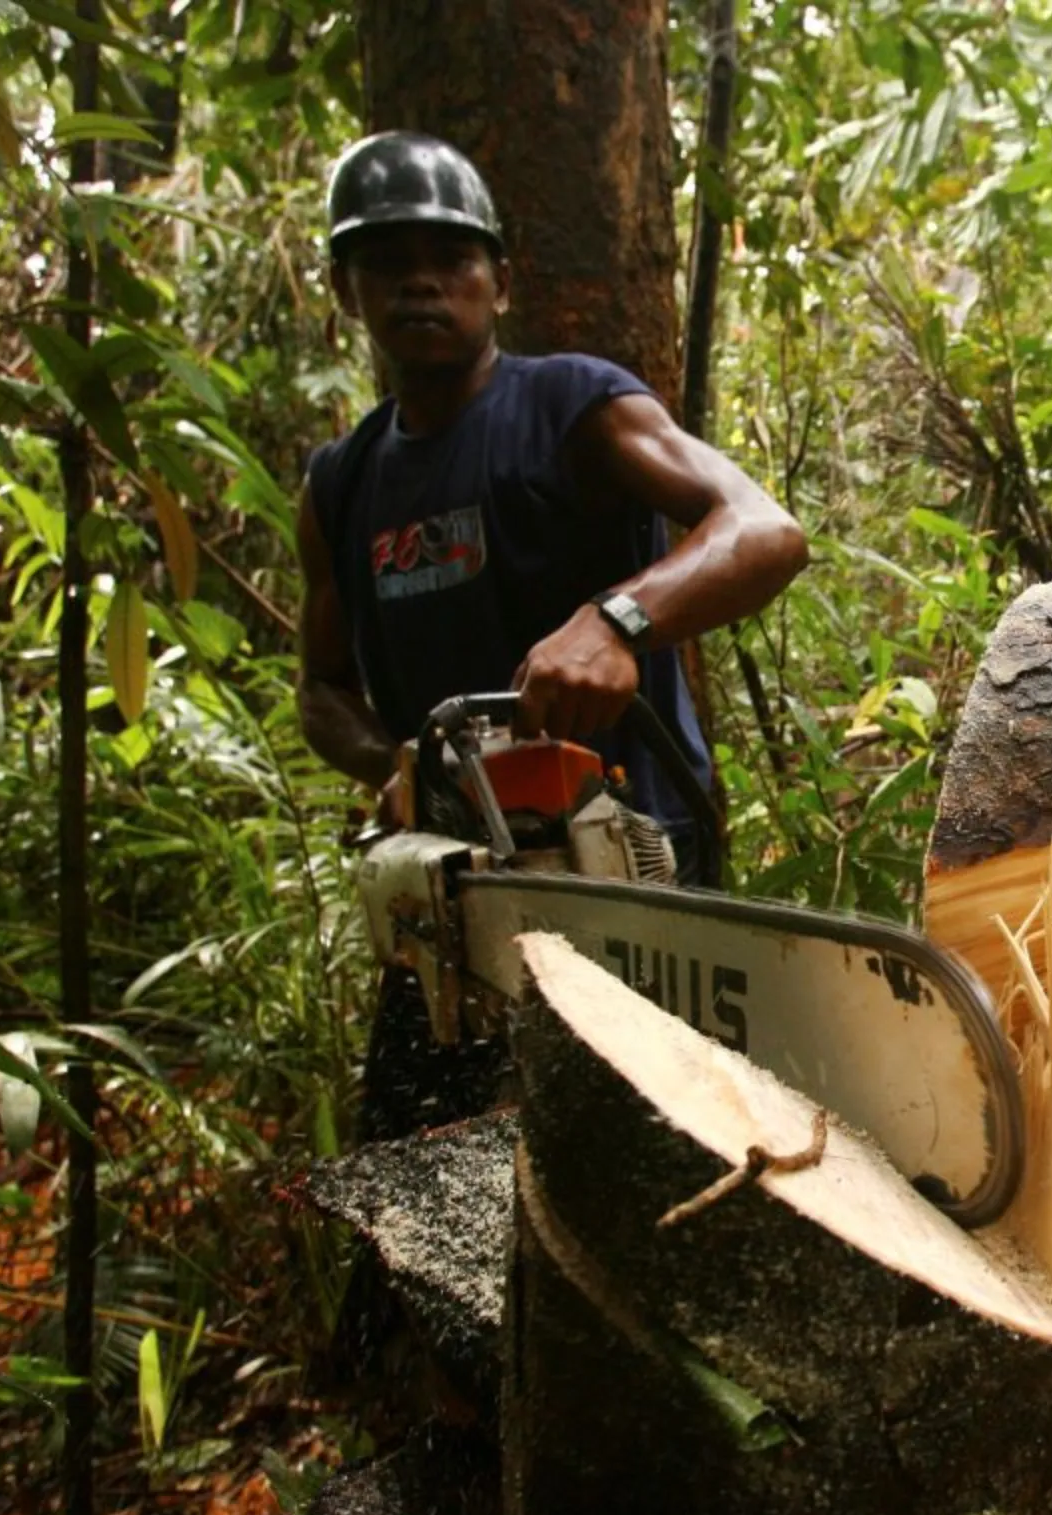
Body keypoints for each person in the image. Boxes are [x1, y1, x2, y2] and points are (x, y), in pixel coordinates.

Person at [296, 131, 808, 1139]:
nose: (423, 286)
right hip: (450, 892)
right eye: (389, 264)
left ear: (498, 278)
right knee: (421, 1174)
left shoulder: (572, 405)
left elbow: (764, 529)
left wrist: (617, 619)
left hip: (626, 873)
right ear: (346, 289)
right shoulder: (342, 482)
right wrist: (391, 759)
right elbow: (321, 689)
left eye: (451, 260)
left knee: (644, 1167)